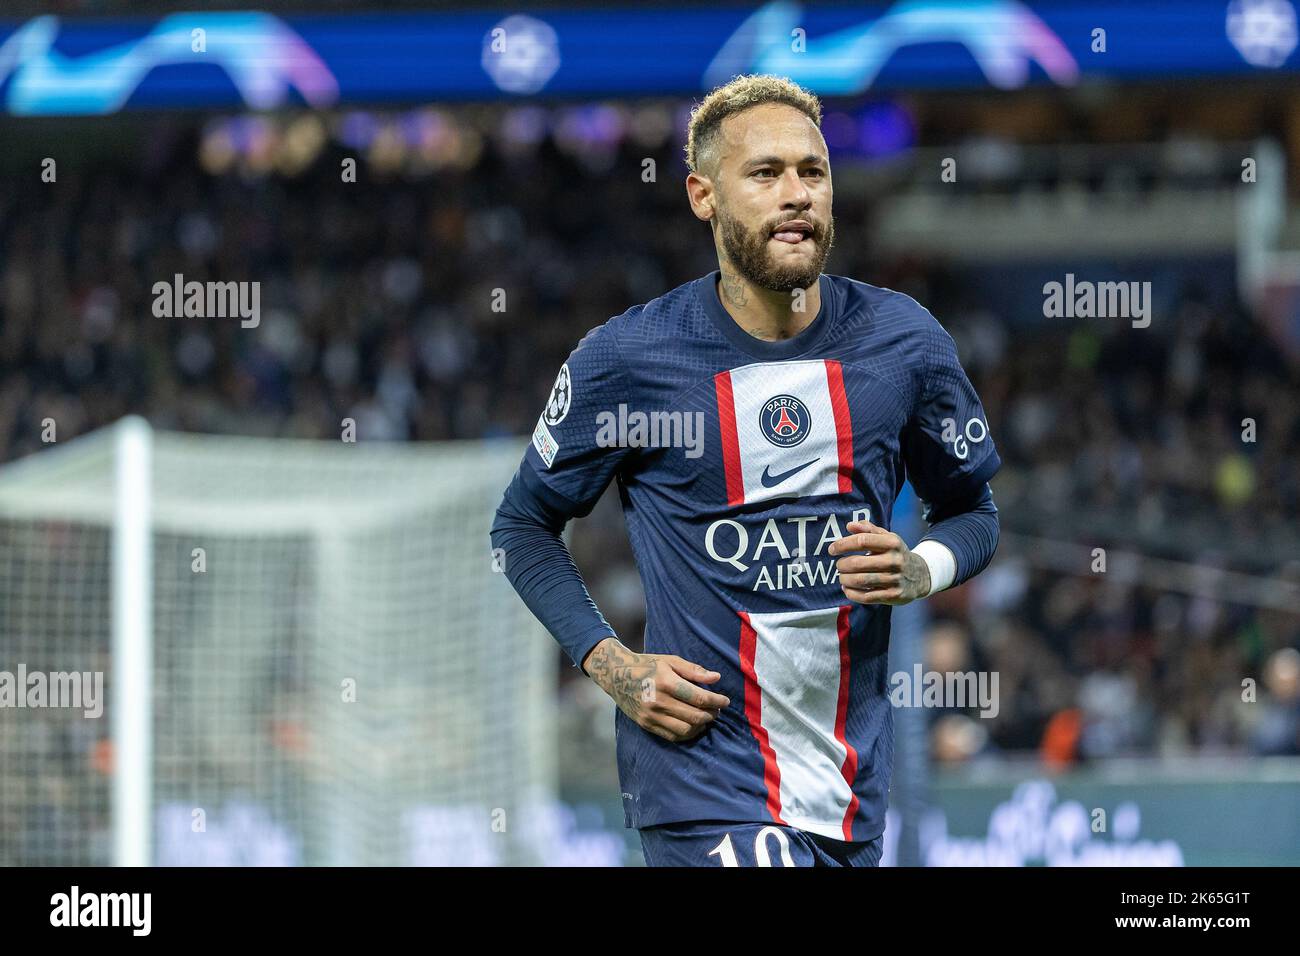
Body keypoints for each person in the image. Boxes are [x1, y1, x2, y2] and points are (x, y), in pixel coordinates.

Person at [490, 74, 1001, 867]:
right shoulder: (630, 360)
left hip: (846, 791)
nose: (796, 193)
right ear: (703, 196)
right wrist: (611, 664)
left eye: (812, 172)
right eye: (765, 174)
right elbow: (521, 525)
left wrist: (921, 568)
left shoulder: (904, 343)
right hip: (704, 781)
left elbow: (974, 509)